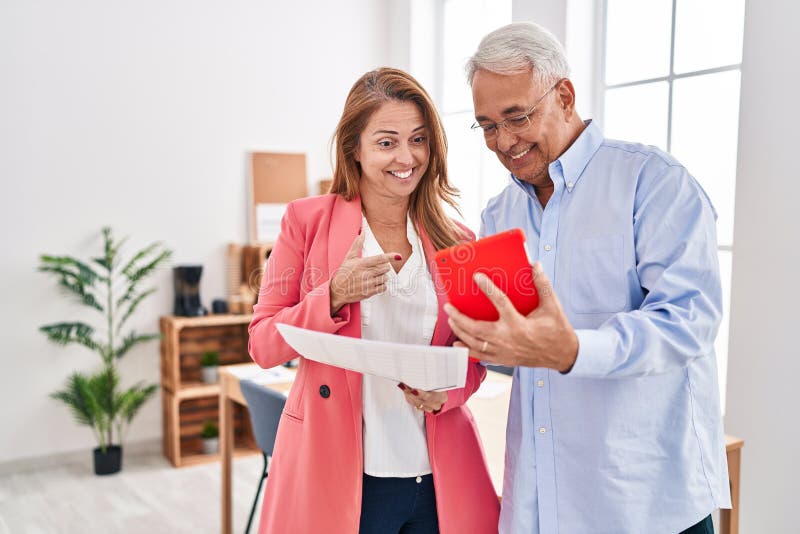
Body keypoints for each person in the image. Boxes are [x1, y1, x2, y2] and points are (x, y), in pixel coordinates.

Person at [444, 22, 730, 534]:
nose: (504, 141)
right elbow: (499, 342)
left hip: (645, 503)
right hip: (541, 500)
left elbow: (691, 322)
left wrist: (575, 350)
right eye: (487, 125)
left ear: (565, 96)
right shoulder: (498, 215)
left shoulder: (653, 183)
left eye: (517, 117)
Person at [248, 67, 500, 534]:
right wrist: (333, 295)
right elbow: (263, 344)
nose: (406, 156)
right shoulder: (306, 222)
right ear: (355, 149)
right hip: (344, 476)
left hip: (438, 476)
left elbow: (478, 358)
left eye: (419, 139)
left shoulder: (460, 240)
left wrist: (448, 393)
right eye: (387, 142)